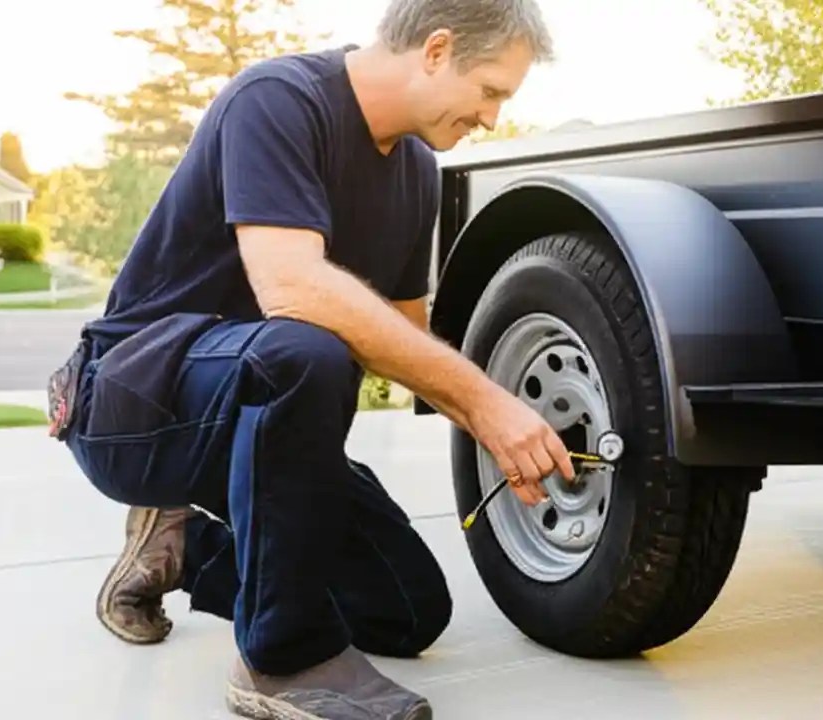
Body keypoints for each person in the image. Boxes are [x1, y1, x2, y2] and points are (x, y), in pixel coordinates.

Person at [48, 1, 572, 718]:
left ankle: (180, 546)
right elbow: (290, 287)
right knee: (305, 347)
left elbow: (403, 339)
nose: (491, 118)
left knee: (406, 609)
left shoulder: (418, 172)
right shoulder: (279, 100)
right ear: (437, 49)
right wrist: (484, 401)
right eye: (490, 92)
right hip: (137, 401)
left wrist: (511, 430)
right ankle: (281, 663)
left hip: (267, 423)